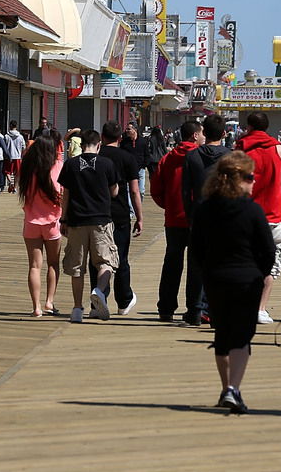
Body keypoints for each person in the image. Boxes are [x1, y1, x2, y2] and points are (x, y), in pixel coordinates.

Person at [191, 151, 277, 414]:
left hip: (215, 279)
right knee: (241, 336)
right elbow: (268, 251)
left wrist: (207, 271)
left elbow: (196, 248)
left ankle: (226, 388)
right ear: (237, 180)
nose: (253, 181)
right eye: (250, 177)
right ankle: (233, 389)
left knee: (222, 334)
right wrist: (260, 273)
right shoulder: (253, 210)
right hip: (247, 280)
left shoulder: (204, 209)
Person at [234, 111, 281, 325]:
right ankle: (260, 309)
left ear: (249, 127)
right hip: (272, 214)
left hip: (245, 214)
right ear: (267, 128)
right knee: (271, 262)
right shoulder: (279, 149)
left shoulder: (240, 148)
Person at [58, 129, 120, 322]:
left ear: (81, 144)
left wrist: (63, 219)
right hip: (101, 221)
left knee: (77, 267)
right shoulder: (107, 164)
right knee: (106, 262)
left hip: (77, 221)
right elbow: (114, 192)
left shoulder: (70, 164)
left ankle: (77, 309)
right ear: (99, 145)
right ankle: (98, 291)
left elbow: (65, 194)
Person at [180, 113, 231, 326]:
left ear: (204, 132)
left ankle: (194, 310)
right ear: (224, 133)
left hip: (199, 216)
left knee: (196, 265)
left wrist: (190, 214)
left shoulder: (192, 156)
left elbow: (185, 191)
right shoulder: (230, 157)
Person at [151, 121, 205, 323]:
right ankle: (195, 310)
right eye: (202, 134)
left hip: (173, 219)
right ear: (194, 136)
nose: (204, 138)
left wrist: (169, 205)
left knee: (172, 264)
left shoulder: (167, 159)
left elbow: (156, 190)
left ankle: (166, 309)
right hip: (197, 219)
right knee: (196, 265)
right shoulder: (201, 157)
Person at [98, 121, 143, 316]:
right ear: (119, 138)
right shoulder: (127, 158)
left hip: (97, 214)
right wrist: (139, 217)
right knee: (121, 258)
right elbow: (134, 190)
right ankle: (124, 301)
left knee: (98, 259)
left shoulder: (95, 156)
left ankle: (99, 299)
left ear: (102, 137)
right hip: (120, 214)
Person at [19, 135, 64, 316]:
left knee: (34, 266)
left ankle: (36, 307)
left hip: (31, 222)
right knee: (53, 263)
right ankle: (49, 302)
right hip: (53, 222)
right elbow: (63, 193)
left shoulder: (27, 168)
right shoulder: (58, 166)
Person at [123, 123, 149, 198]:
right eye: (127, 129)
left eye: (129, 129)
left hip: (140, 169)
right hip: (128, 170)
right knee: (129, 190)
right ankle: (130, 206)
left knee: (141, 191)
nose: (127, 131)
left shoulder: (143, 141)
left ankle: (138, 204)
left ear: (135, 130)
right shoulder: (124, 143)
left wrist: (144, 165)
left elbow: (147, 154)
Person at [5, 120, 26, 193]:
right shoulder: (20, 137)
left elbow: (4, 146)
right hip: (17, 157)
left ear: (10, 126)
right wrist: (21, 154)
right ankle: (15, 187)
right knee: (17, 173)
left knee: (7, 171)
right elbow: (24, 147)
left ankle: (10, 182)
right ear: (16, 126)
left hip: (9, 157)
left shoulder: (6, 136)